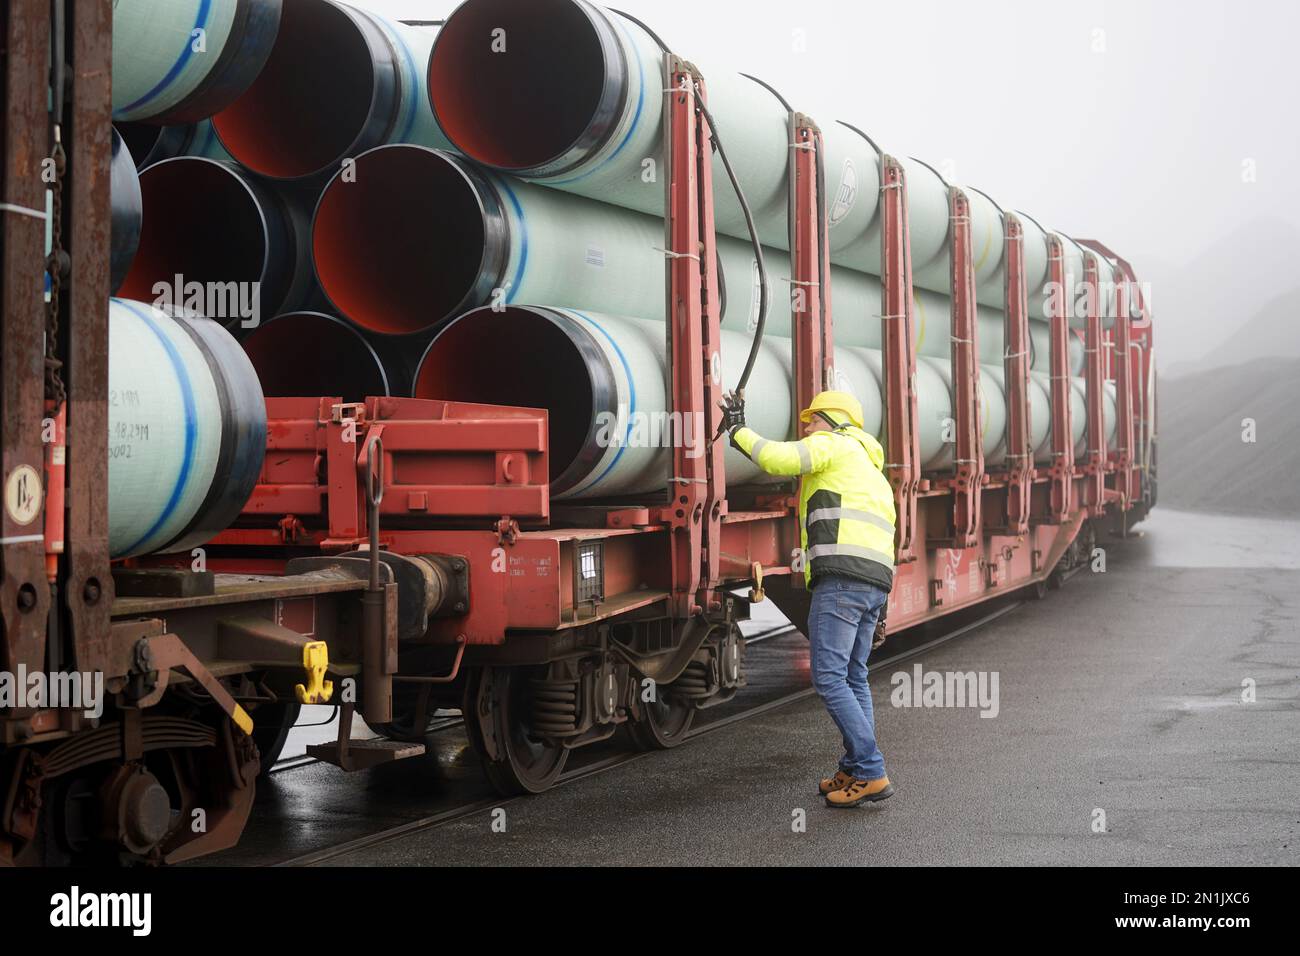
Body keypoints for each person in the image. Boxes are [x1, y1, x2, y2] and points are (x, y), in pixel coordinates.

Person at [720, 389, 897, 807]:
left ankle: (871, 770)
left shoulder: (833, 445)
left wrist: (737, 429)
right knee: (854, 677)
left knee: (829, 677)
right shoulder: (873, 469)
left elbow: (777, 459)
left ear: (833, 421)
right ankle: (855, 767)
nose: (807, 427)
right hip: (873, 584)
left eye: (813, 419)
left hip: (841, 581)